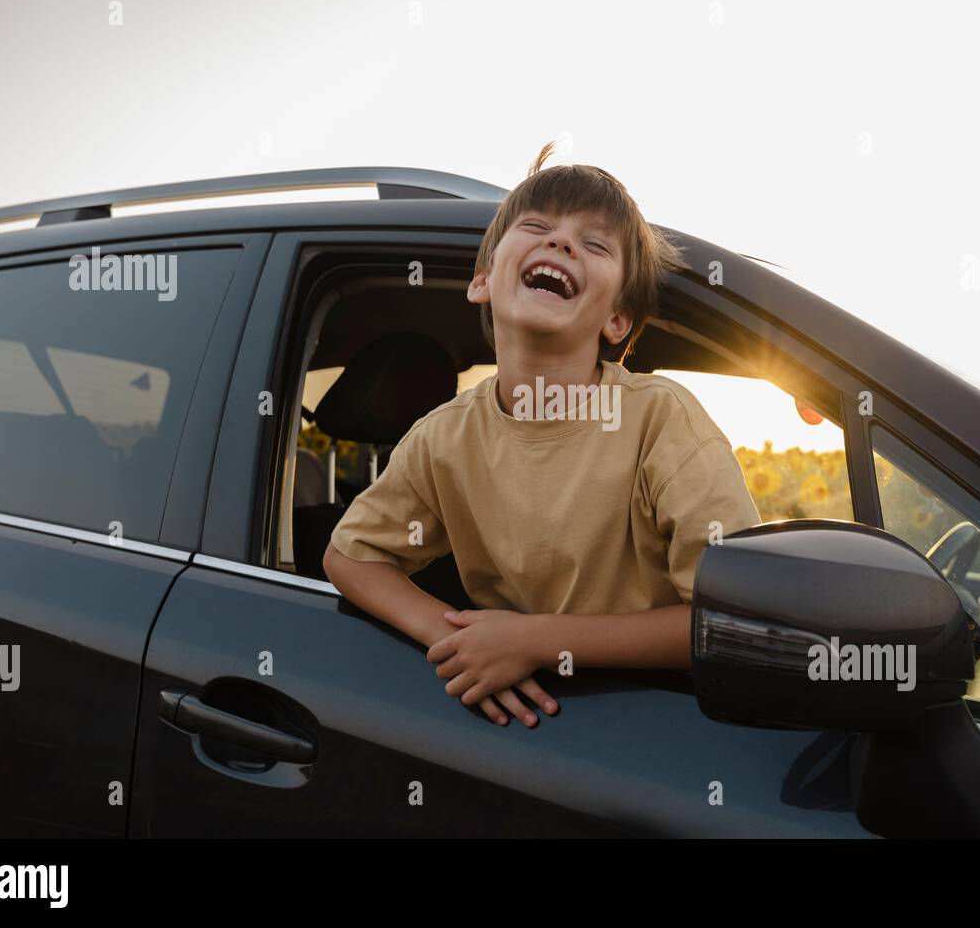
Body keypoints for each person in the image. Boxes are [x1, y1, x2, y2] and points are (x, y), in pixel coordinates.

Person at [323, 142, 760, 728]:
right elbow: (351, 557)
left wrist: (536, 641)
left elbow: (734, 619)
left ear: (617, 321)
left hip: (660, 721)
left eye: (595, 243)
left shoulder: (661, 421)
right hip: (520, 732)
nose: (561, 242)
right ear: (482, 281)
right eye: (537, 226)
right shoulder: (444, 438)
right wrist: (457, 639)